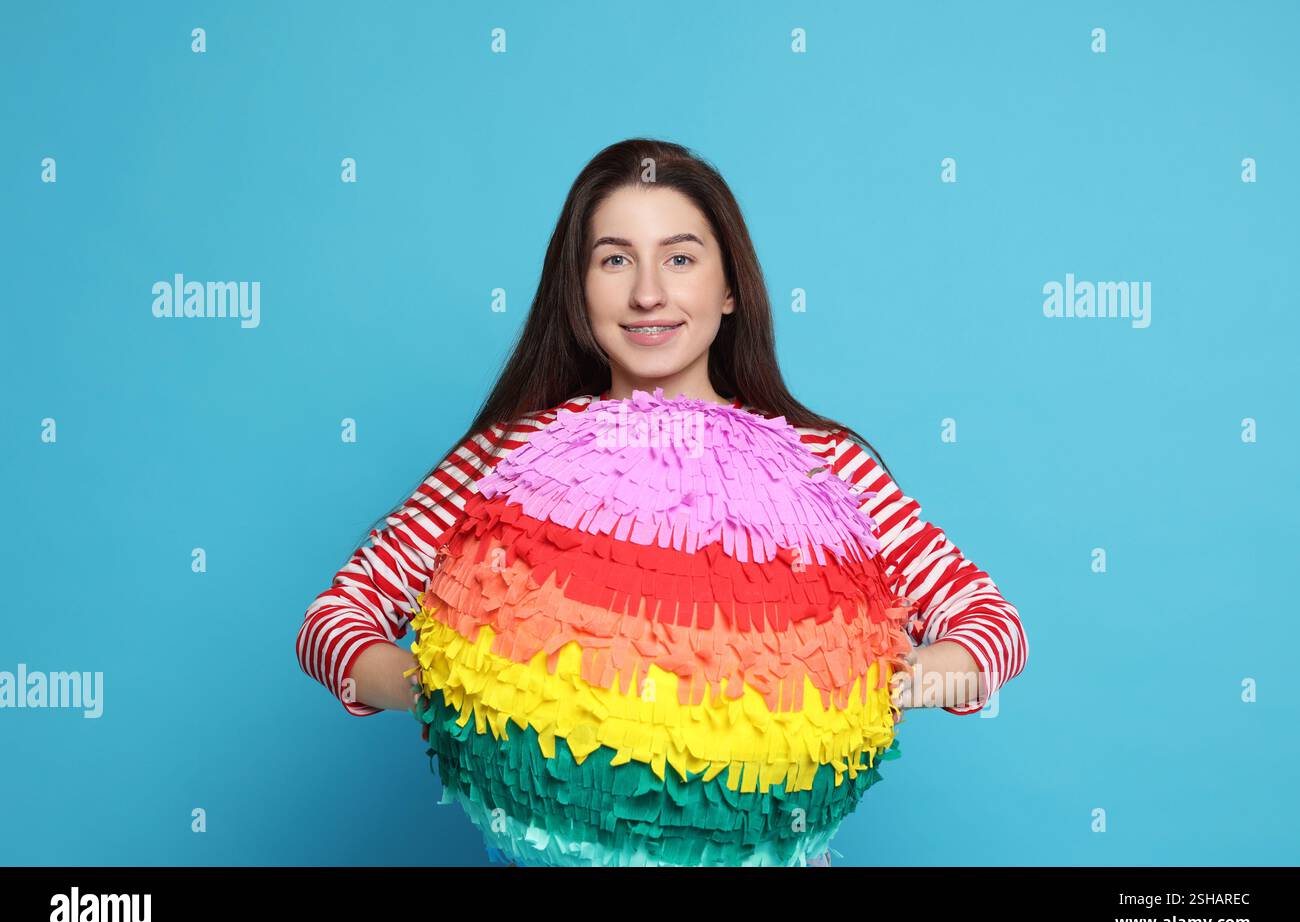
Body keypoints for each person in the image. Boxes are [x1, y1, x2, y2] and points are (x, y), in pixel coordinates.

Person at [295, 139, 1028, 866]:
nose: (648, 292)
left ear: (730, 286)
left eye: (680, 258)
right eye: (615, 259)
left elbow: (993, 625)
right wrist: (449, 691)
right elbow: (332, 623)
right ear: (578, 289)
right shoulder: (503, 461)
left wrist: (882, 688)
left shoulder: (828, 467)